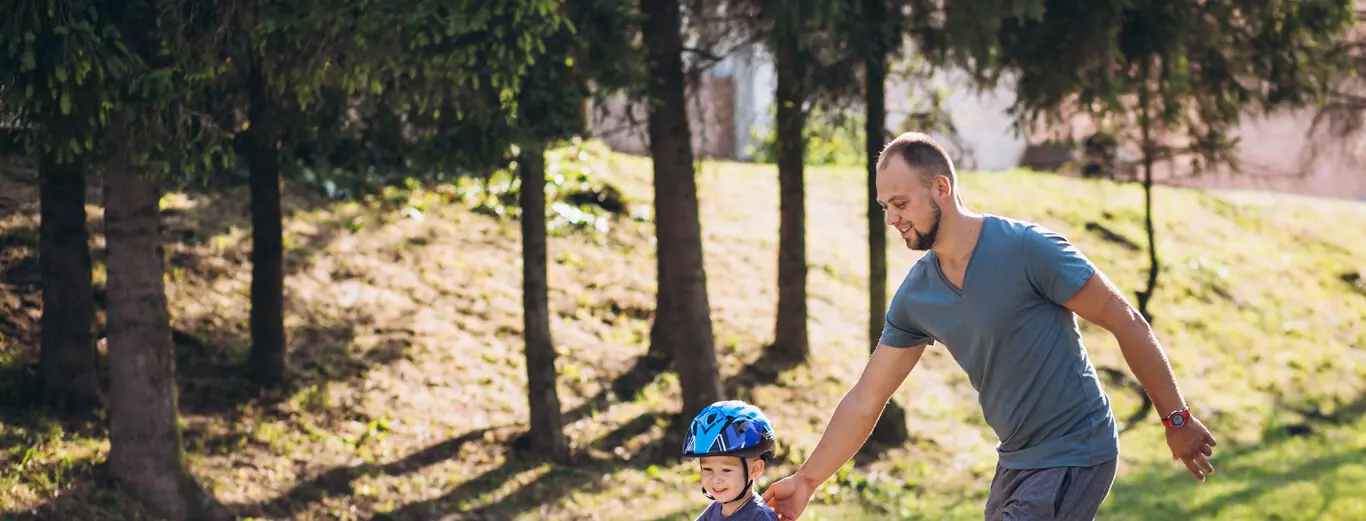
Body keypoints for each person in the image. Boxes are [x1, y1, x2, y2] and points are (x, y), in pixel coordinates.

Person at [761, 132, 1218, 520]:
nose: (892, 218)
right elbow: (866, 398)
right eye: (884, 206)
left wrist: (1174, 417)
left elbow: (1127, 321)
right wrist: (807, 480)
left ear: (941, 187)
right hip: (1016, 460)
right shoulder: (919, 295)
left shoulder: (1027, 250)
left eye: (900, 203)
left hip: (1076, 450)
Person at [683, 400, 782, 520]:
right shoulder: (714, 511)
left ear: (755, 469)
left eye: (726, 470)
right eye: (708, 469)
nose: (716, 479)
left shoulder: (759, 517)